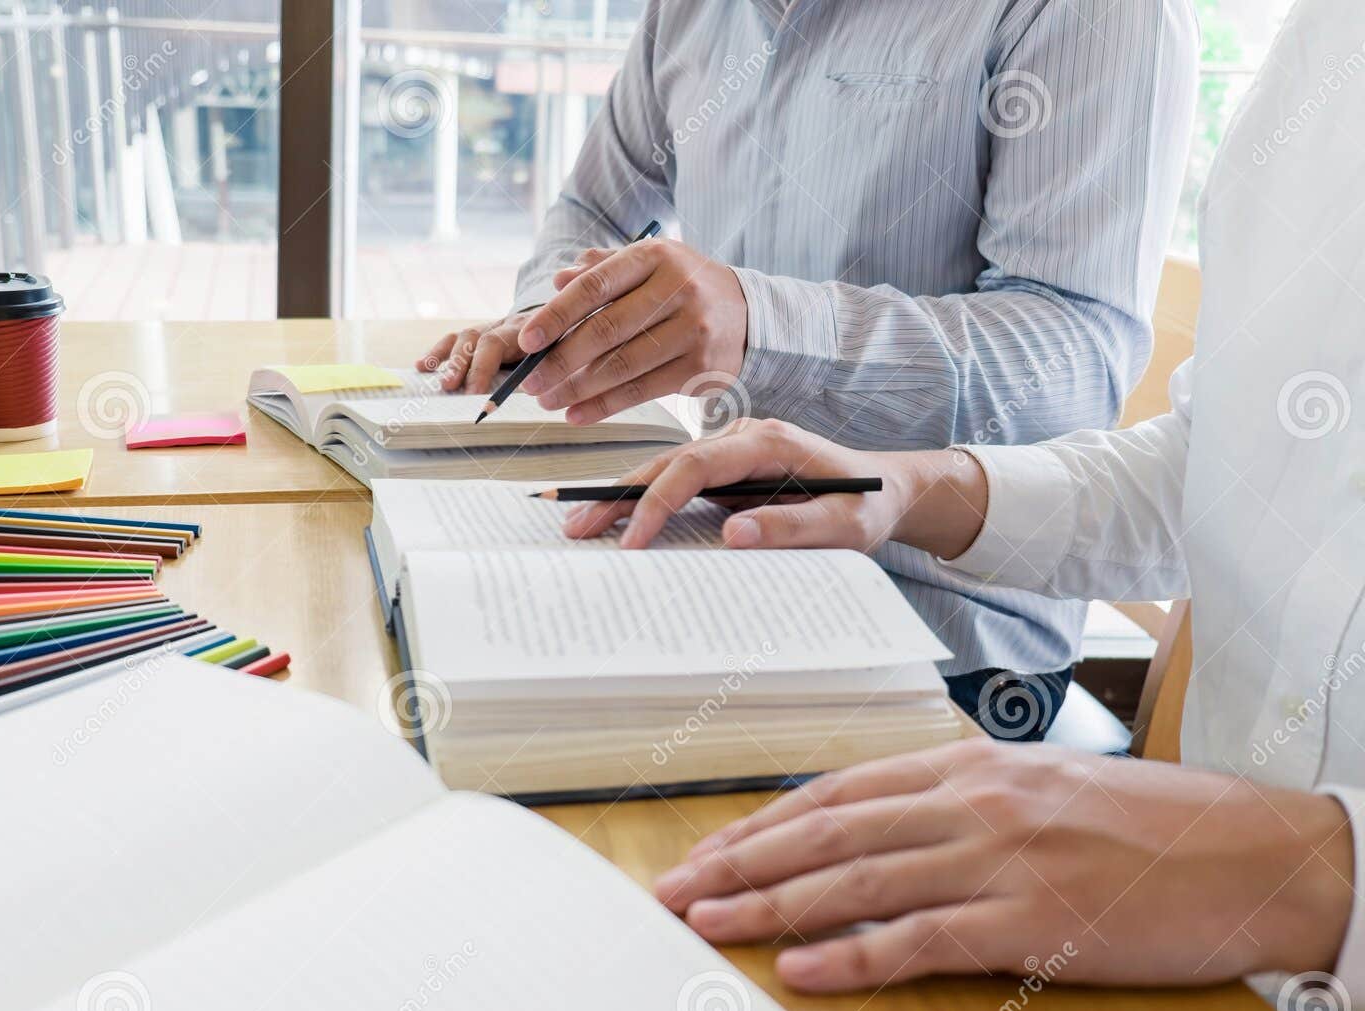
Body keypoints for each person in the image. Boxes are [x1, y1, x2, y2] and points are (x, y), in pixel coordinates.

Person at [560, 0, 1365, 1011]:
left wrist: (1307, 870)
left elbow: (1079, 362)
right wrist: (907, 490)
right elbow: (1221, 471)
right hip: (1198, 961)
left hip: (1196, 898)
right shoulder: (1321, 52)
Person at [424, 0, 1198, 737]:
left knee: (520, 752)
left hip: (943, 632)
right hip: (717, 550)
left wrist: (760, 326)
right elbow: (594, 210)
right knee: (441, 654)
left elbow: (1072, 365)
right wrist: (552, 315)